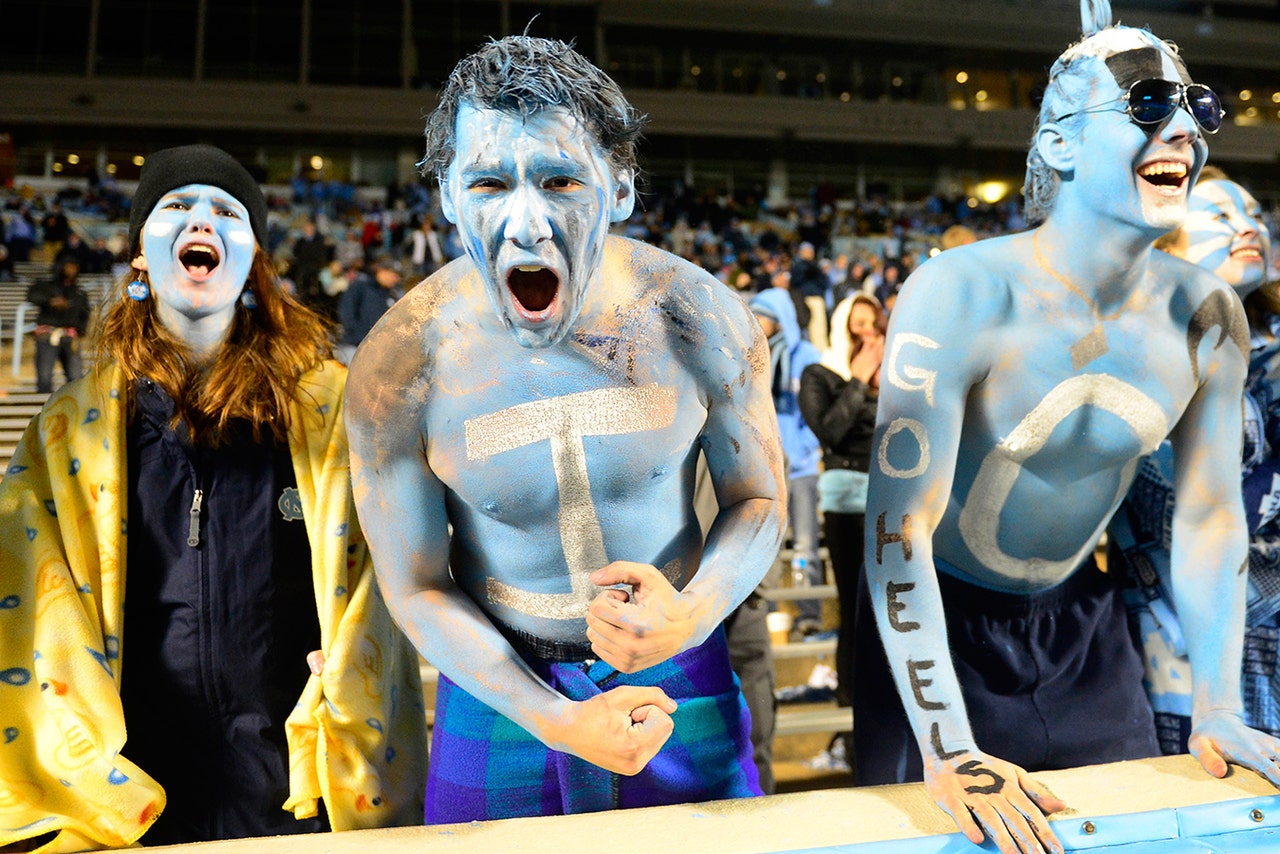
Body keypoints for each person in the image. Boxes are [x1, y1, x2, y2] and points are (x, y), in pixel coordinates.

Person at [860, 4, 1280, 853]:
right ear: (1059, 143)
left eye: (1196, 108)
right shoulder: (962, 292)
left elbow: (1208, 516)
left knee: (1128, 836)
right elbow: (897, 531)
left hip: (1083, 619)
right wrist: (948, 746)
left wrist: (1218, 706)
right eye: (1147, 103)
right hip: (939, 619)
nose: (1183, 131)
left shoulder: (1208, 316)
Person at [345, 35, 784, 824]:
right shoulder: (399, 362)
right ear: (448, 197)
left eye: (559, 180)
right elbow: (414, 585)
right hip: (496, 689)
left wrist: (691, 614)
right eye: (489, 182)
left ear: (620, 188)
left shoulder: (699, 318)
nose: (526, 224)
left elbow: (760, 500)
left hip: (678, 666)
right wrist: (552, 717)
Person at [0, 144, 426, 851]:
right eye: (177, 205)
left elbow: (391, 572)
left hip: (293, 791)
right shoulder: (67, 431)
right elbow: (26, 610)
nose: (202, 219)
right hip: (131, 797)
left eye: (228, 212)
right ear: (140, 254)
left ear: (253, 258)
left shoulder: (331, 410)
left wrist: (353, 655)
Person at [1112, 167, 1280, 753]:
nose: (1249, 227)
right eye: (1221, 216)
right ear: (1166, 249)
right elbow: (1184, 512)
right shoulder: (1129, 358)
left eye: (1254, 213)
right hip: (1172, 645)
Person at [797, 293, 886, 766]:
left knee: (890, 608)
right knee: (854, 608)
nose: (866, 335)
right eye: (857, 325)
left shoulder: (889, 378)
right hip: (848, 501)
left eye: (874, 326)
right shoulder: (820, 374)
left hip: (891, 499)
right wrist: (857, 380)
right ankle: (851, 717)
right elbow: (829, 431)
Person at [748, 288, 824, 636]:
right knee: (769, 543)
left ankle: (809, 613)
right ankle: (770, 610)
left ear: (779, 319)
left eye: (761, 316)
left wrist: (805, 448)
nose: (756, 322)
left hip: (802, 467)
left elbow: (816, 409)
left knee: (805, 542)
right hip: (766, 467)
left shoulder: (806, 355)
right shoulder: (751, 356)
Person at [26, 256, 91, 394]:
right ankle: (44, 403)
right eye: (68, 266)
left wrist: (80, 332)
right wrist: (51, 301)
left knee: (75, 377)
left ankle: (74, 404)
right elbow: (32, 295)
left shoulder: (79, 293)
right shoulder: (47, 287)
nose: (72, 270)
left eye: (74, 267)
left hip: (70, 336)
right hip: (48, 335)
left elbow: (85, 314)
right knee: (45, 376)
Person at [336, 253, 405, 365]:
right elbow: (346, 311)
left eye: (398, 276)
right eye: (393, 274)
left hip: (379, 351)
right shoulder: (361, 286)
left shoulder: (392, 295)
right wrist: (359, 336)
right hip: (354, 346)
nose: (395, 279)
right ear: (381, 270)